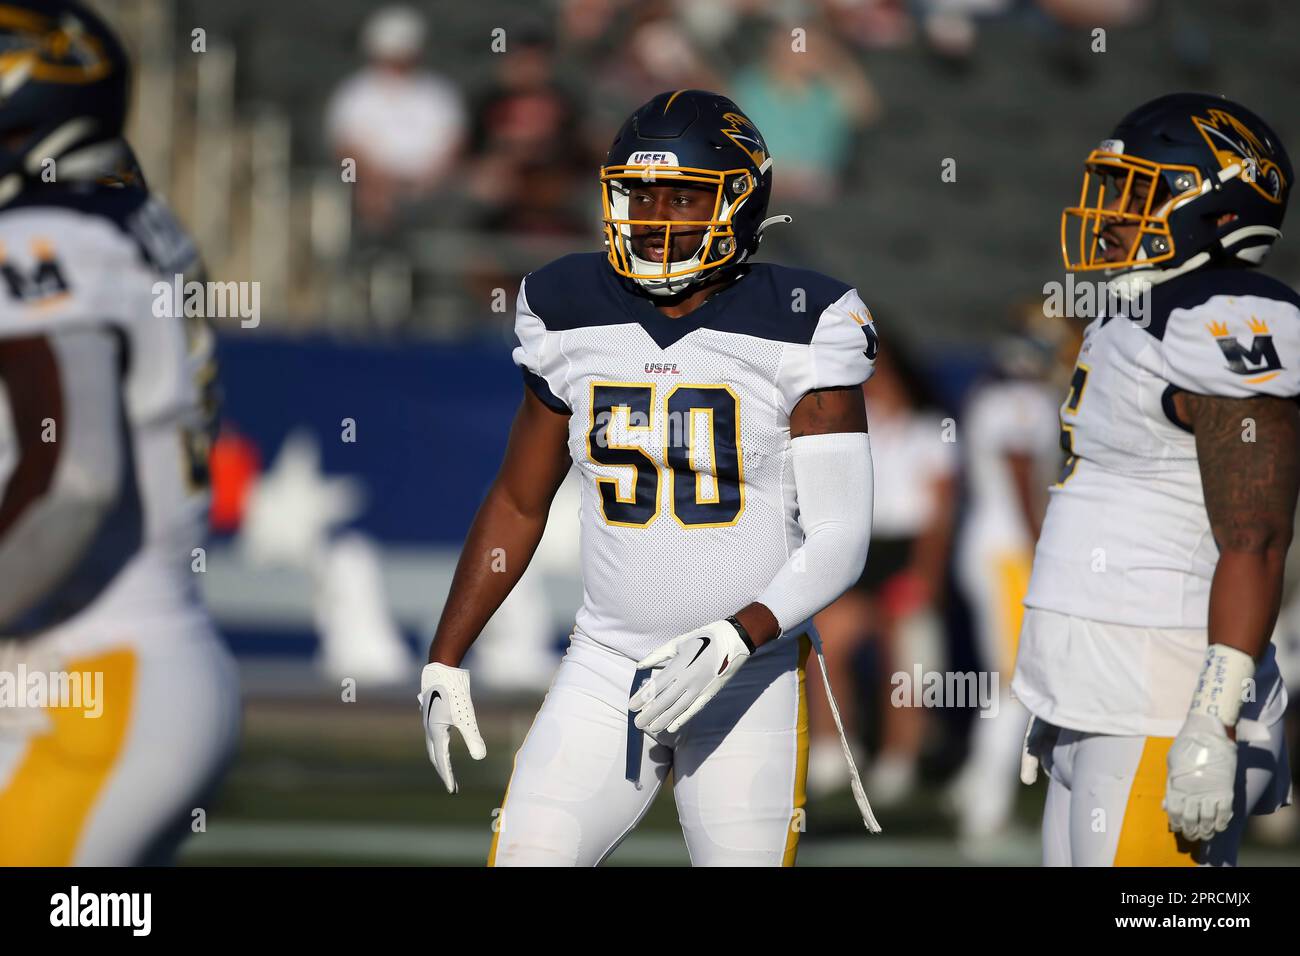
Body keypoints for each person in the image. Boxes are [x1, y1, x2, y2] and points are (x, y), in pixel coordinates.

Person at [419, 89, 881, 866]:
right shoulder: (567, 305)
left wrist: (738, 636)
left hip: (748, 677)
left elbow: (841, 537)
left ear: (739, 203)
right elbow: (519, 500)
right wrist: (445, 653)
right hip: (607, 663)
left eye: (683, 197)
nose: (655, 217)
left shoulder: (807, 321)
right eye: (640, 194)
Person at [1014, 92, 1296, 866]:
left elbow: (1257, 536)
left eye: (1139, 192)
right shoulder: (1140, 309)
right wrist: (1063, 685)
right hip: (1102, 698)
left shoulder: (1227, 313)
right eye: (1113, 190)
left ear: (1216, 208)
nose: (1110, 214)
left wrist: (1213, 718)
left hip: (1163, 702)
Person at [0, 0, 239, 864]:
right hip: (116, 671)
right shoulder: (114, 218)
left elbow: (71, 481)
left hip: (89, 676)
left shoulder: (46, 235)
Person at [946, 305, 1075, 840]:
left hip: (996, 549)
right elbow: (1021, 470)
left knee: (1012, 680)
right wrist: (1045, 547)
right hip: (1010, 554)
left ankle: (971, 788)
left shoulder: (993, 393)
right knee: (1018, 684)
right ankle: (985, 810)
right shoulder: (1020, 399)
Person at [324, 5, 467, 236]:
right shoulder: (355, 93)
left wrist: (430, 181)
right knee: (371, 200)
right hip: (373, 185)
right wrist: (375, 181)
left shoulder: (438, 92)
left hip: (433, 185)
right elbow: (346, 148)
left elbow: (454, 143)